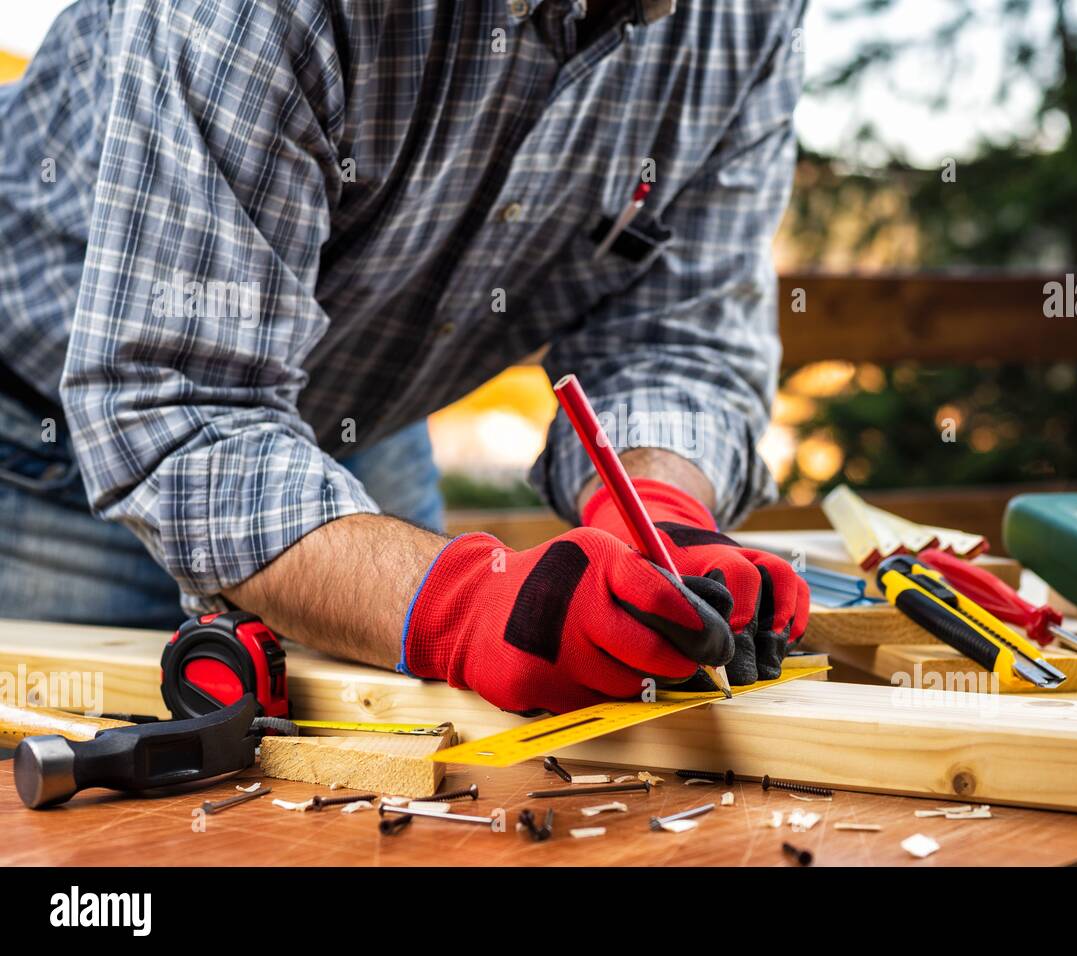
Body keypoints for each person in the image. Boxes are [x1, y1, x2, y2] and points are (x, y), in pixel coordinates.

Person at [0, 0, 809, 713]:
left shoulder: (746, 17)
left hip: (347, 429)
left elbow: (671, 336)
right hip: (41, 447)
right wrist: (465, 606)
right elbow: (182, 400)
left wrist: (660, 510)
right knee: (69, 821)